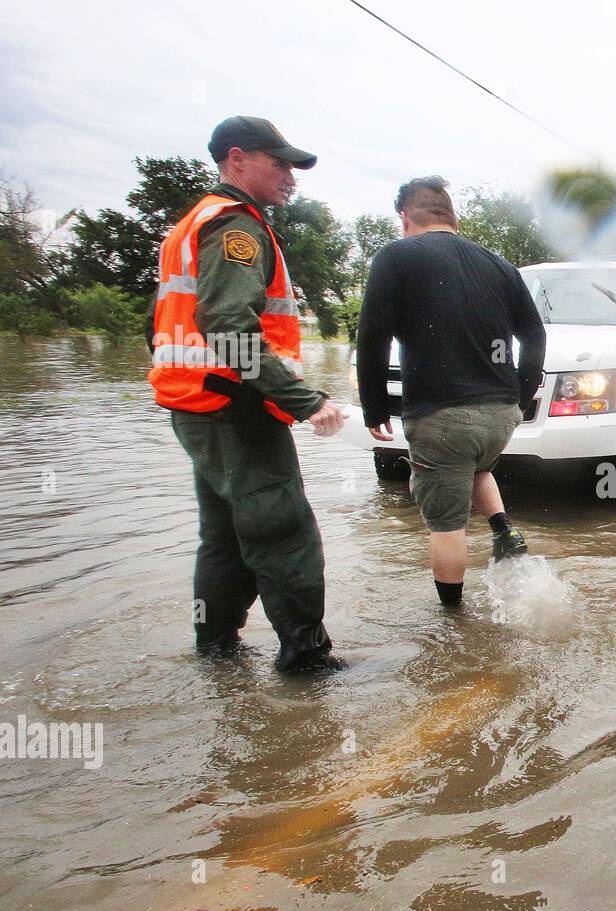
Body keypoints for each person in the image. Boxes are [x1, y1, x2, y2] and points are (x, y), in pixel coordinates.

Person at [149, 116, 348, 673]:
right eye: (279, 162)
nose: (291, 176)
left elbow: (164, 322)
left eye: (294, 166)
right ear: (237, 159)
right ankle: (307, 662)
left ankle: (215, 650)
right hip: (236, 410)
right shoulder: (236, 227)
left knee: (225, 537)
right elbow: (229, 327)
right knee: (283, 531)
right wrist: (305, 400)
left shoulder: (192, 224)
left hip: (197, 406)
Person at [356, 176, 546, 609]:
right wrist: (522, 395)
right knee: (474, 464)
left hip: (441, 415)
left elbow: (373, 337)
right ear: (451, 216)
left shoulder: (395, 257)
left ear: (405, 218)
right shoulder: (498, 264)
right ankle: (503, 530)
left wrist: (374, 405)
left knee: (445, 524)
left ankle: (453, 621)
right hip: (500, 414)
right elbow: (534, 333)